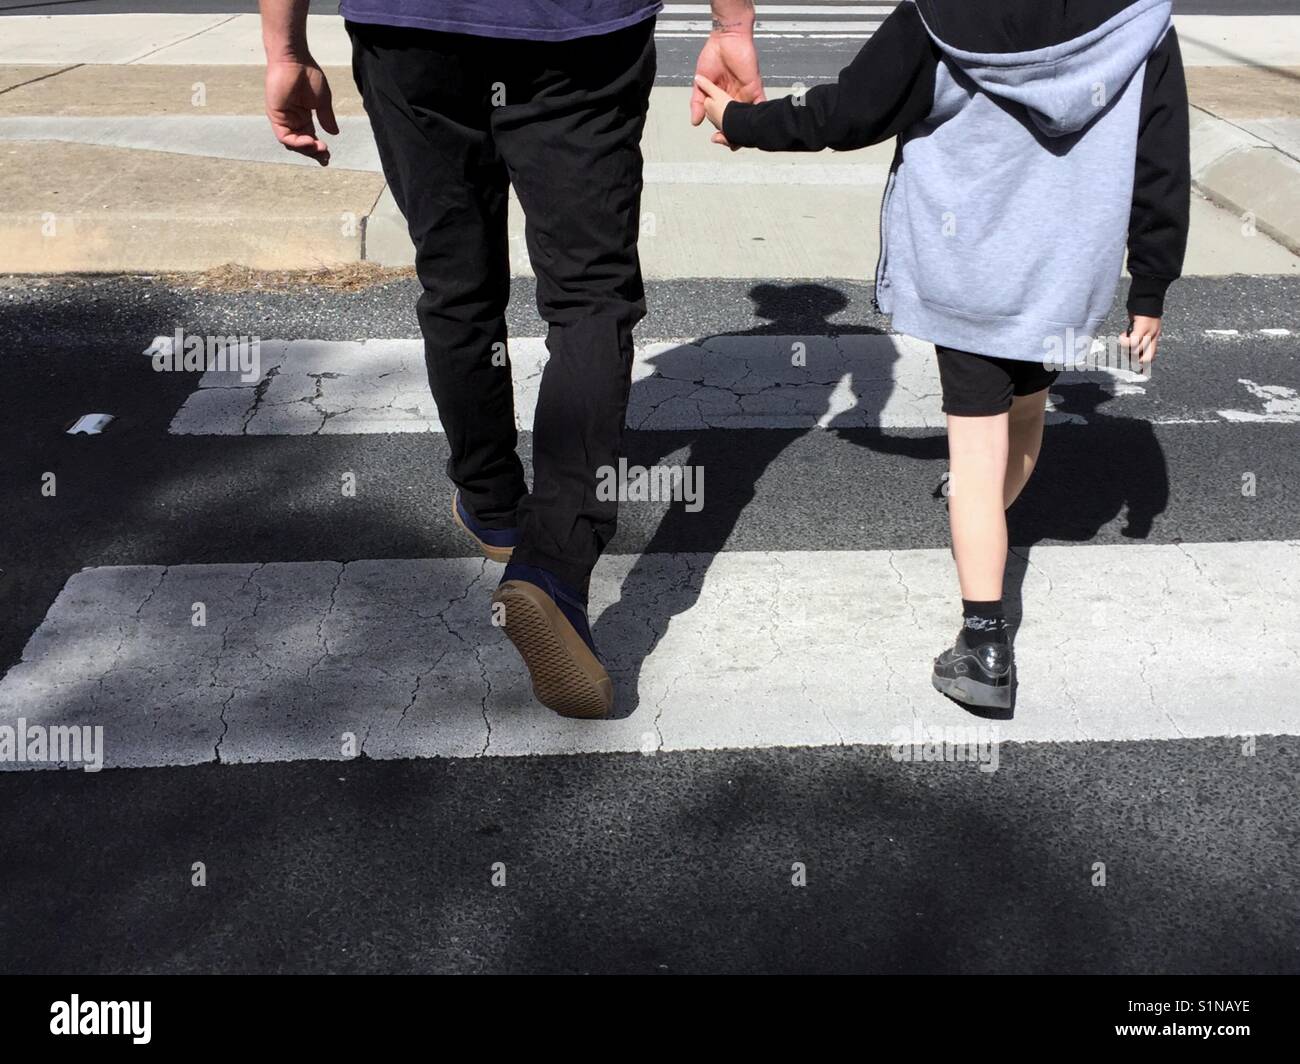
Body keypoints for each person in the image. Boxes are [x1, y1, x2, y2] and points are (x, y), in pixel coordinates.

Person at [258, 1, 765, 719]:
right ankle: (553, 564)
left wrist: (285, 48)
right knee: (591, 296)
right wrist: (731, 24)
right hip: (581, 33)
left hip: (411, 32)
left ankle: (493, 505)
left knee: (456, 281)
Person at [695, 0, 1190, 709]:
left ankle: (985, 645)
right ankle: (981, 515)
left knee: (975, 459)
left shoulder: (941, 15)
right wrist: (1152, 283)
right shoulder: (1138, 23)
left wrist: (740, 123)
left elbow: (848, 114)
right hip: (1060, 275)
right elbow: (1161, 159)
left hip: (968, 275)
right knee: (1025, 412)